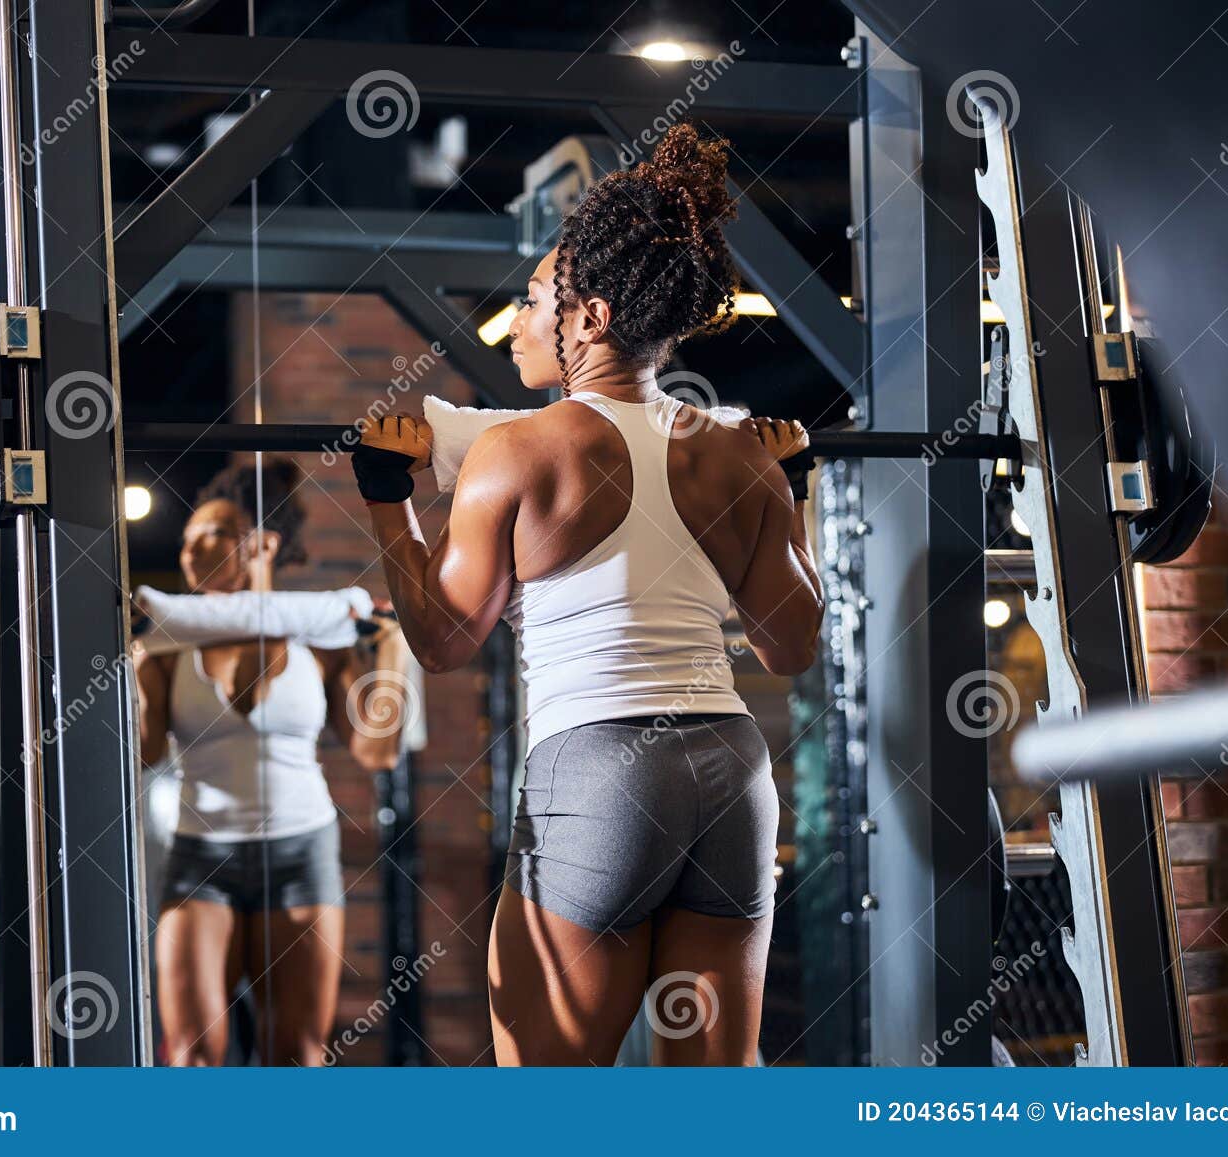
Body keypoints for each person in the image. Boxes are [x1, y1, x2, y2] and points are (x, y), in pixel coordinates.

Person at [350, 122, 823, 1065]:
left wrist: (385, 496)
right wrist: (793, 487)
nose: (519, 319)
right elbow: (791, 645)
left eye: (535, 302)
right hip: (730, 771)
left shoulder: (516, 449)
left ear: (592, 318)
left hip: (600, 768)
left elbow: (442, 640)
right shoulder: (740, 455)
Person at [134, 459, 407, 1066]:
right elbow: (147, 753)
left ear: (264, 544)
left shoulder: (318, 639)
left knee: (296, 1056)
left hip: (299, 854)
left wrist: (391, 650)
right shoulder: (169, 645)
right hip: (201, 856)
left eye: (213, 534)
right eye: (186, 539)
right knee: (191, 1056)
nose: (190, 550)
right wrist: (135, 675)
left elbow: (376, 750)